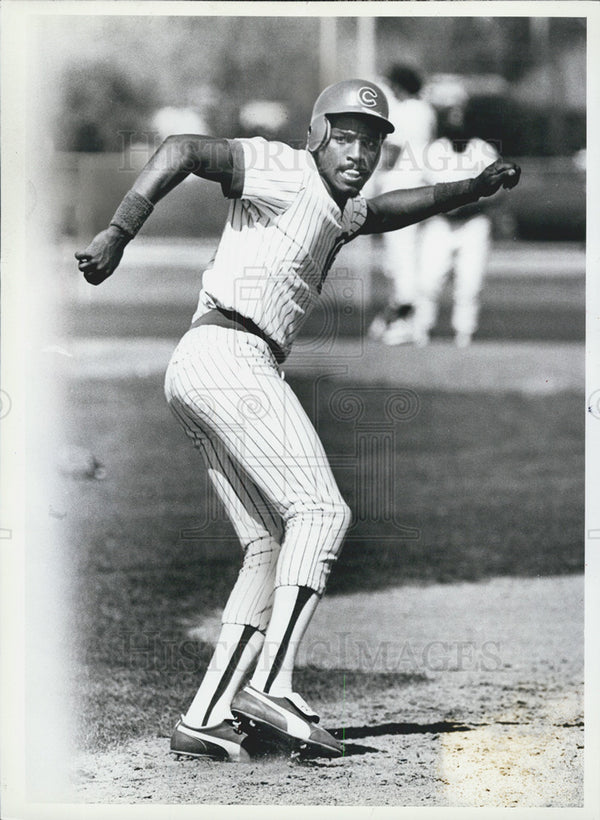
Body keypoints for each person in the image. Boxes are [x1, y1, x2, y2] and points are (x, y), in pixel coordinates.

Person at [75, 79, 520, 762]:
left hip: (206, 363)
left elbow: (395, 209)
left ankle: (205, 714)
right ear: (316, 135)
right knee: (322, 513)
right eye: (344, 135)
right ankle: (273, 685)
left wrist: (473, 187)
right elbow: (185, 147)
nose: (358, 151)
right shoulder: (283, 167)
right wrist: (119, 228)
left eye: (370, 141)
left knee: (269, 545)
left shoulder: (338, 208)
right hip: (230, 353)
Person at [412, 79, 500, 347]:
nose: (457, 121)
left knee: (470, 284)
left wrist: (468, 204)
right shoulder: (435, 150)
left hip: (473, 224)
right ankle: (420, 332)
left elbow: (498, 192)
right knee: (428, 281)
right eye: (452, 116)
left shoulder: (483, 150)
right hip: (440, 223)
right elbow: (424, 188)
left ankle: (464, 335)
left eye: (461, 116)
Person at [367, 64, 436, 345]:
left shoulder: (405, 111)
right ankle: (412, 321)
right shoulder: (426, 110)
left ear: (400, 85)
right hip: (421, 186)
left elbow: (392, 150)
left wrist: (373, 181)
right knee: (410, 259)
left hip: (399, 188)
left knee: (400, 259)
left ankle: (403, 320)